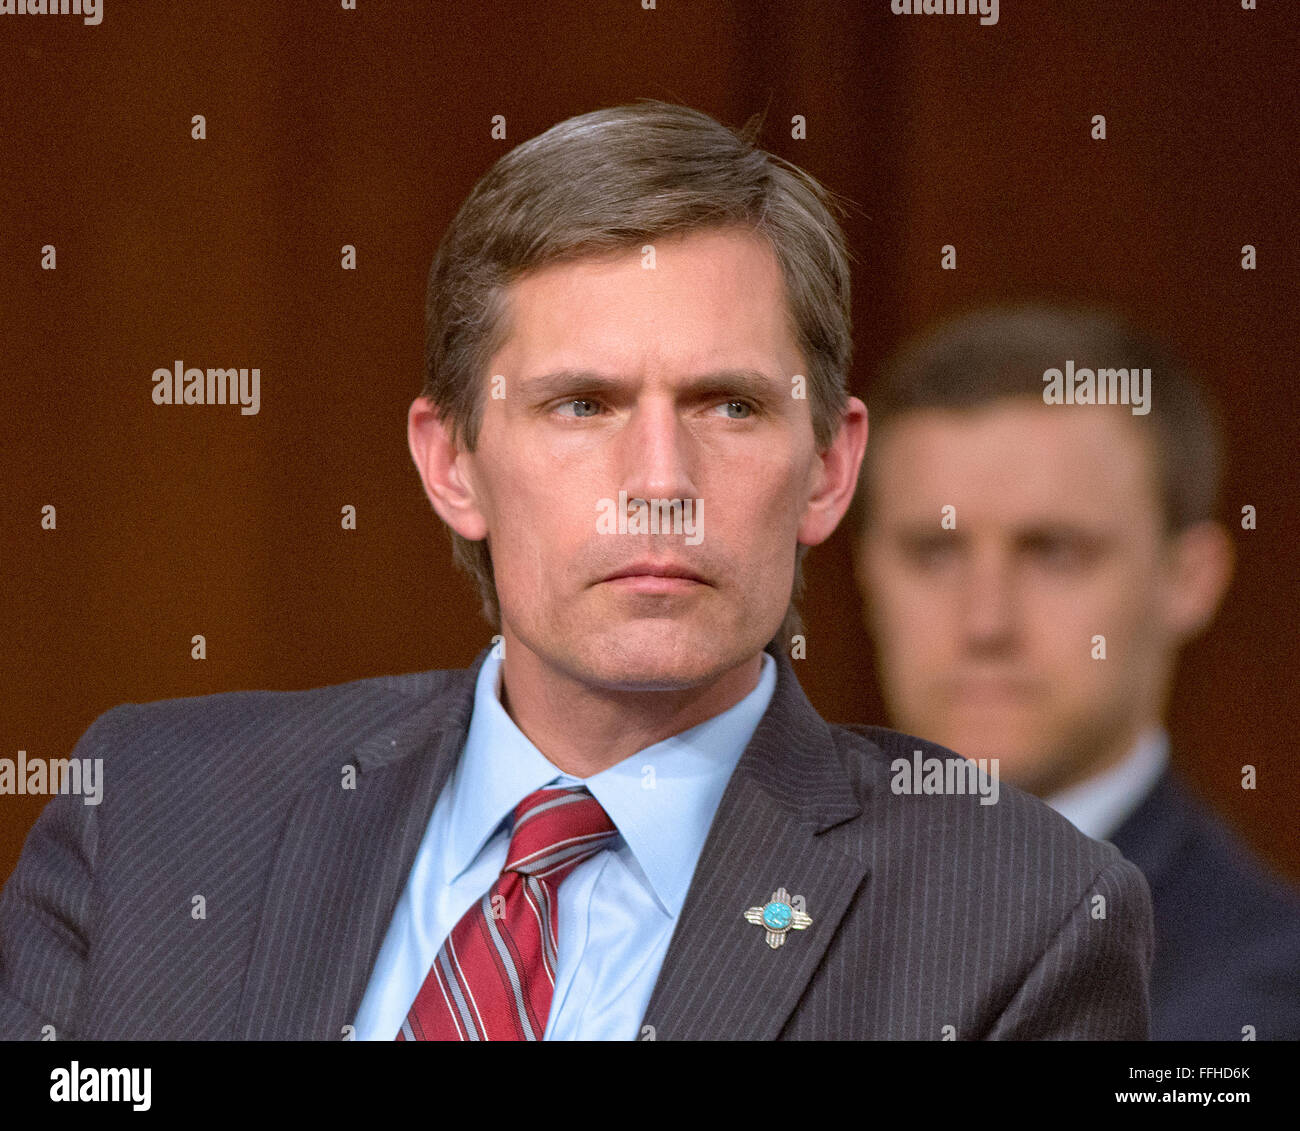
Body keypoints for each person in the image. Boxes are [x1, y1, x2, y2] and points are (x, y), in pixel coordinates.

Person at [0, 104, 1152, 1041]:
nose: (659, 480)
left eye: (729, 405)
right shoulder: (154, 810)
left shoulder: (1016, 920)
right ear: (452, 462)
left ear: (828, 468)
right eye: (582, 405)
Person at [850, 303, 1300, 1040]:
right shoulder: (757, 916)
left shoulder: (1264, 998)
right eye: (933, 551)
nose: (985, 622)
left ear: (1188, 578)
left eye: (1053, 551)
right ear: (869, 573)